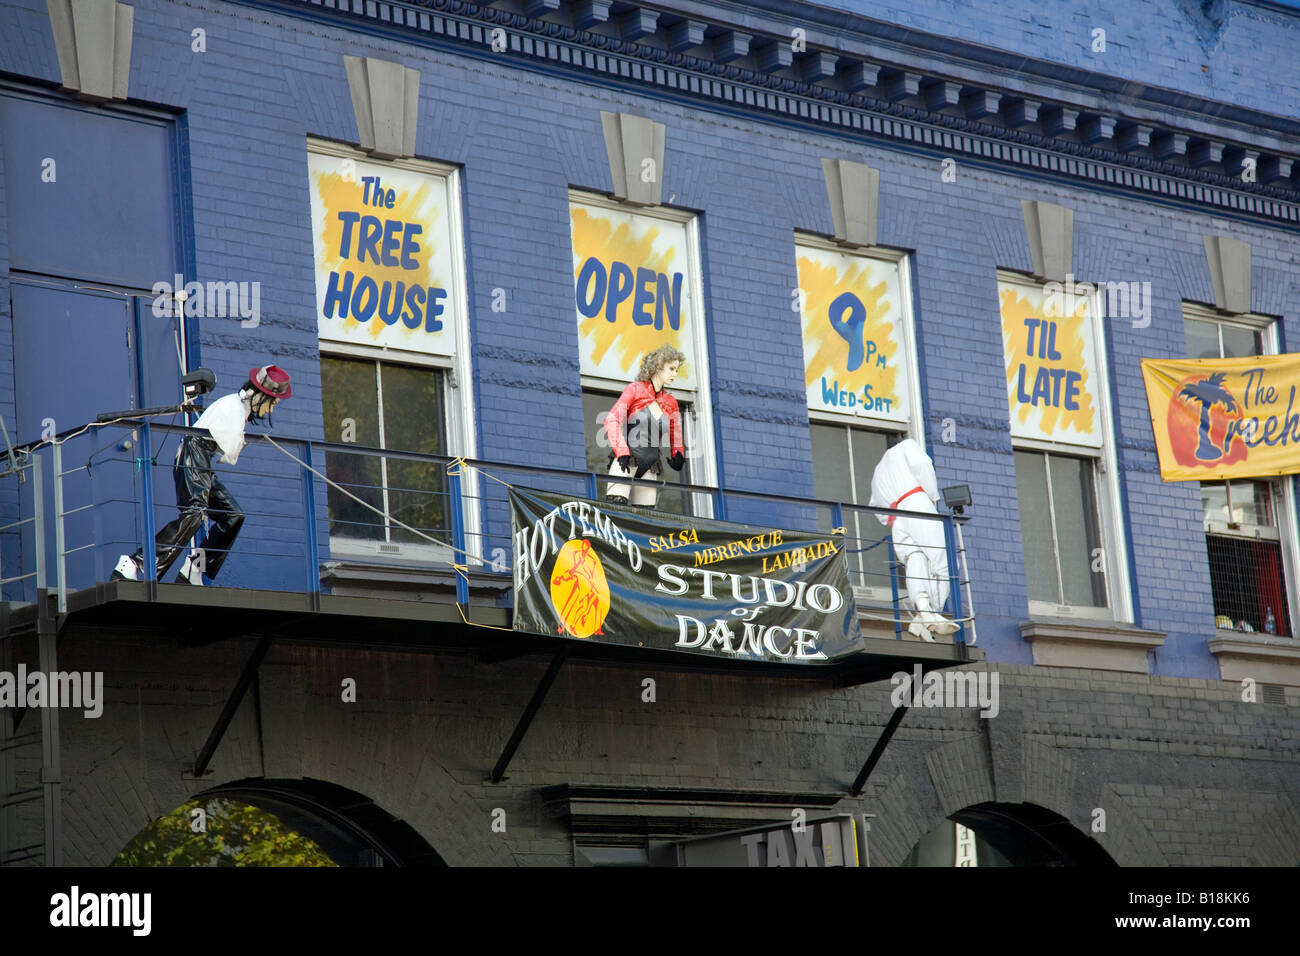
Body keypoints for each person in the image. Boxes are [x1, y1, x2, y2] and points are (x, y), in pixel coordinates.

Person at [113, 365, 292, 585]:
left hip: (200, 458)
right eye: (271, 402)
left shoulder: (236, 407)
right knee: (195, 514)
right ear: (258, 396)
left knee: (233, 515)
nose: (271, 409)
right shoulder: (234, 409)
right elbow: (230, 454)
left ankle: (194, 568)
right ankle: (135, 563)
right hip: (194, 453)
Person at [868, 437, 958, 642]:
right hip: (917, 502)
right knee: (942, 559)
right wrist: (932, 497)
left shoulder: (879, 470)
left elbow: (876, 506)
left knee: (914, 558)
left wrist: (889, 517)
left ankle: (923, 610)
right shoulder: (907, 445)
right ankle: (933, 612)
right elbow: (923, 465)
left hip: (896, 515)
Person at [603, 345, 686, 507]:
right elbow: (611, 420)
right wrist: (622, 452)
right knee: (616, 512)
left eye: (676, 369)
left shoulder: (671, 402)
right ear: (658, 366)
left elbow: (676, 435)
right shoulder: (635, 390)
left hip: (651, 466)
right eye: (671, 369)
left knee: (646, 519)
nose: (675, 374)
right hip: (628, 460)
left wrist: (678, 454)